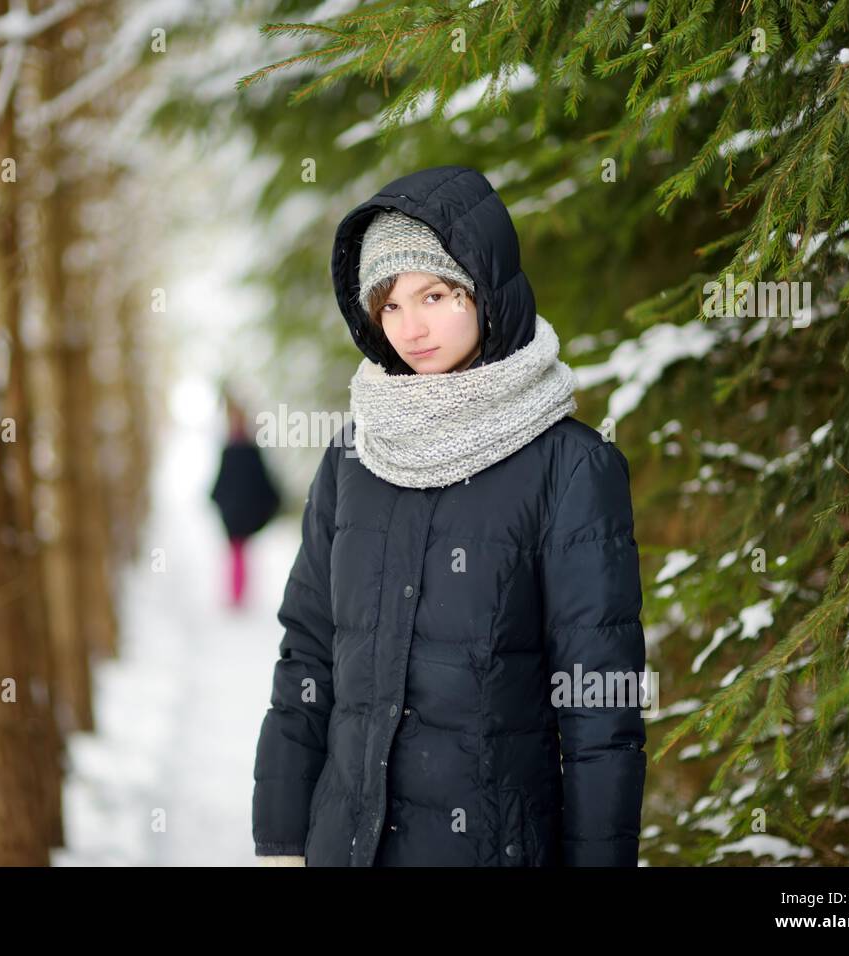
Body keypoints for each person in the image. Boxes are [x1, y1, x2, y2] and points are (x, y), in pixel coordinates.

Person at [252, 165, 648, 866]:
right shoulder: (354, 456)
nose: (412, 327)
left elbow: (600, 711)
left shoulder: (570, 467)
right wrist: (281, 837)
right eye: (391, 306)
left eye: (434, 294)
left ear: (484, 289)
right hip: (343, 846)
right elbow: (307, 653)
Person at [209, 384, 281, 609]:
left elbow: (262, 481)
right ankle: (236, 595)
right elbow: (222, 482)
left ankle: (239, 595)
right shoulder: (230, 450)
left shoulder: (249, 450)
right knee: (236, 554)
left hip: (244, 512)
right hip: (234, 512)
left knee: (240, 553)